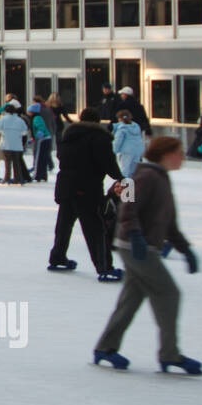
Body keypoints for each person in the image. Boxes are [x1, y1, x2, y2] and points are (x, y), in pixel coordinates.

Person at [92, 137, 202, 375]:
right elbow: (126, 207)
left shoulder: (160, 177)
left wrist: (184, 248)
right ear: (165, 154)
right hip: (134, 246)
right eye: (178, 152)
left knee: (130, 300)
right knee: (168, 293)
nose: (182, 156)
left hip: (141, 245)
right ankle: (169, 354)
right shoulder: (143, 176)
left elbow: (169, 223)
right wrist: (134, 234)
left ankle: (105, 348)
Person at [47, 107, 124, 278]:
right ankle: (104, 267)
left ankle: (57, 257)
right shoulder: (99, 138)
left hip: (65, 186)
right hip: (87, 188)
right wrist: (122, 178)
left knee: (64, 225)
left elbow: (62, 158)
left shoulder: (68, 136)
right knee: (95, 228)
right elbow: (108, 163)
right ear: (97, 122)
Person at [0, 103, 30, 186]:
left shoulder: (3, 119)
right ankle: (18, 178)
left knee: (7, 162)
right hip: (17, 144)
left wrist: (4, 132)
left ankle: (6, 178)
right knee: (17, 162)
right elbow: (25, 131)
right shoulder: (19, 120)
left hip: (6, 144)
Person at [112, 109, 144, 177]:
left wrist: (113, 151)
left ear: (120, 119)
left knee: (124, 171)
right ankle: (133, 185)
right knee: (133, 171)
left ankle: (125, 186)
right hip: (137, 151)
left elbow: (117, 141)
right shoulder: (136, 126)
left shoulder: (122, 128)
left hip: (125, 152)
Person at [28, 103, 53, 182]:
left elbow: (41, 127)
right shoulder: (37, 117)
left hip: (43, 140)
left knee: (38, 157)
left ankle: (37, 175)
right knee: (43, 158)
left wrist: (39, 134)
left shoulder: (36, 118)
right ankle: (43, 175)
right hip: (45, 139)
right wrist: (33, 138)